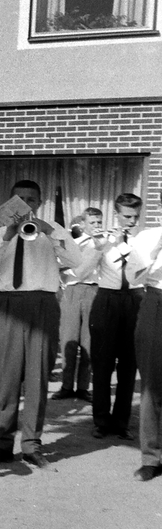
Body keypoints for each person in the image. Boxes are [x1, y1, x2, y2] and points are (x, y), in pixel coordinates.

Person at [0, 181, 89, 467]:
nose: (26, 203)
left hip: (43, 303)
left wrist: (50, 233)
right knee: (7, 375)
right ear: (12, 200)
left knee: (38, 375)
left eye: (32, 199)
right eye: (21, 198)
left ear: (39, 202)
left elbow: (77, 262)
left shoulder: (52, 227)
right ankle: (2, 443)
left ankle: (31, 443)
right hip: (8, 303)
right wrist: (6, 237)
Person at [84, 193, 144, 439]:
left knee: (129, 366)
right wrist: (101, 247)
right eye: (127, 216)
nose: (131, 221)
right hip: (107, 299)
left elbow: (143, 268)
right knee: (102, 363)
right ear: (117, 214)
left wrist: (123, 244)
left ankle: (121, 422)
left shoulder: (142, 240)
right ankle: (101, 421)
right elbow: (83, 270)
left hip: (134, 299)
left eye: (136, 216)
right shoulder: (101, 238)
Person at [128, 199, 162, 480]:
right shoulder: (147, 237)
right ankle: (151, 457)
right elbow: (133, 276)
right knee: (152, 383)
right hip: (156, 303)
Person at [54, 207, 102, 401]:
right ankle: (66, 386)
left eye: (99, 222)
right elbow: (59, 264)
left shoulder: (103, 244)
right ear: (82, 224)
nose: (97, 226)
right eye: (93, 223)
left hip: (93, 290)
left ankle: (83, 387)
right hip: (72, 291)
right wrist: (68, 273)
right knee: (68, 339)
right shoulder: (73, 244)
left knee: (89, 342)